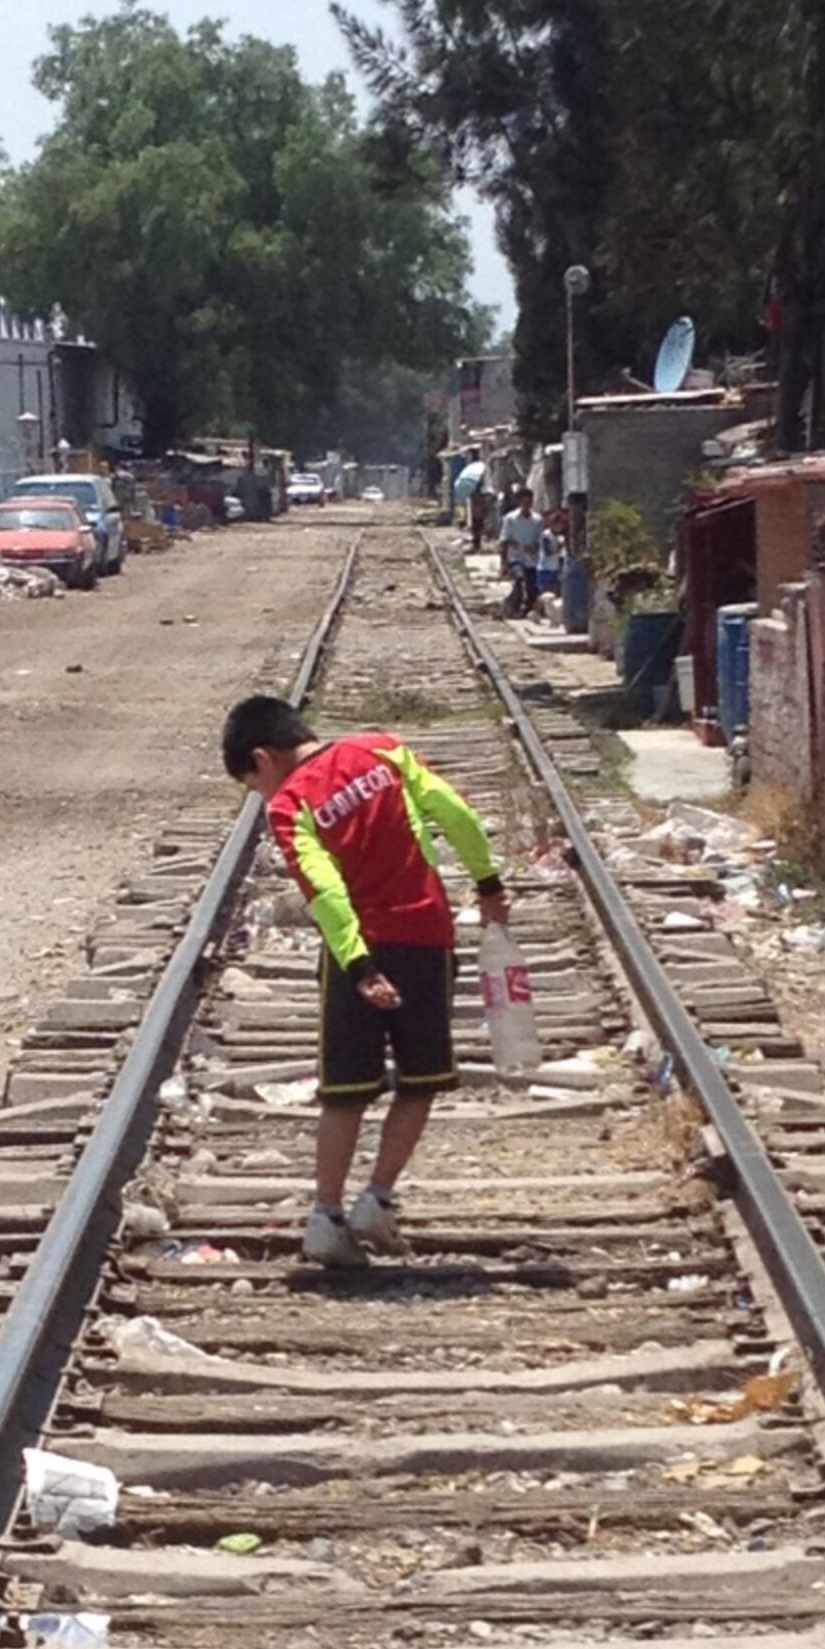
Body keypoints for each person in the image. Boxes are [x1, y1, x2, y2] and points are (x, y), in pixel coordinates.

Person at [222, 694, 510, 1266]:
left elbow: (324, 890)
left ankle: (326, 1216)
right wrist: (488, 882)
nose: (261, 797)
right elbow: (456, 814)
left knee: (345, 1090)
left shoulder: (290, 804)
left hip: (357, 951)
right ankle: (377, 1197)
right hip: (426, 937)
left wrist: (358, 965)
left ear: (263, 757)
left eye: (252, 783)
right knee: (422, 1079)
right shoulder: (382, 749)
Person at [498, 488, 544, 616]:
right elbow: (504, 540)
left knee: (532, 587)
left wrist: (535, 547)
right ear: (519, 502)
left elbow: (541, 539)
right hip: (516, 558)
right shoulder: (510, 519)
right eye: (524, 502)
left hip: (532, 560)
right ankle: (514, 606)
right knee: (519, 579)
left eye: (529, 502)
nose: (526, 505)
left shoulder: (537, 520)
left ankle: (526, 609)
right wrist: (504, 562)